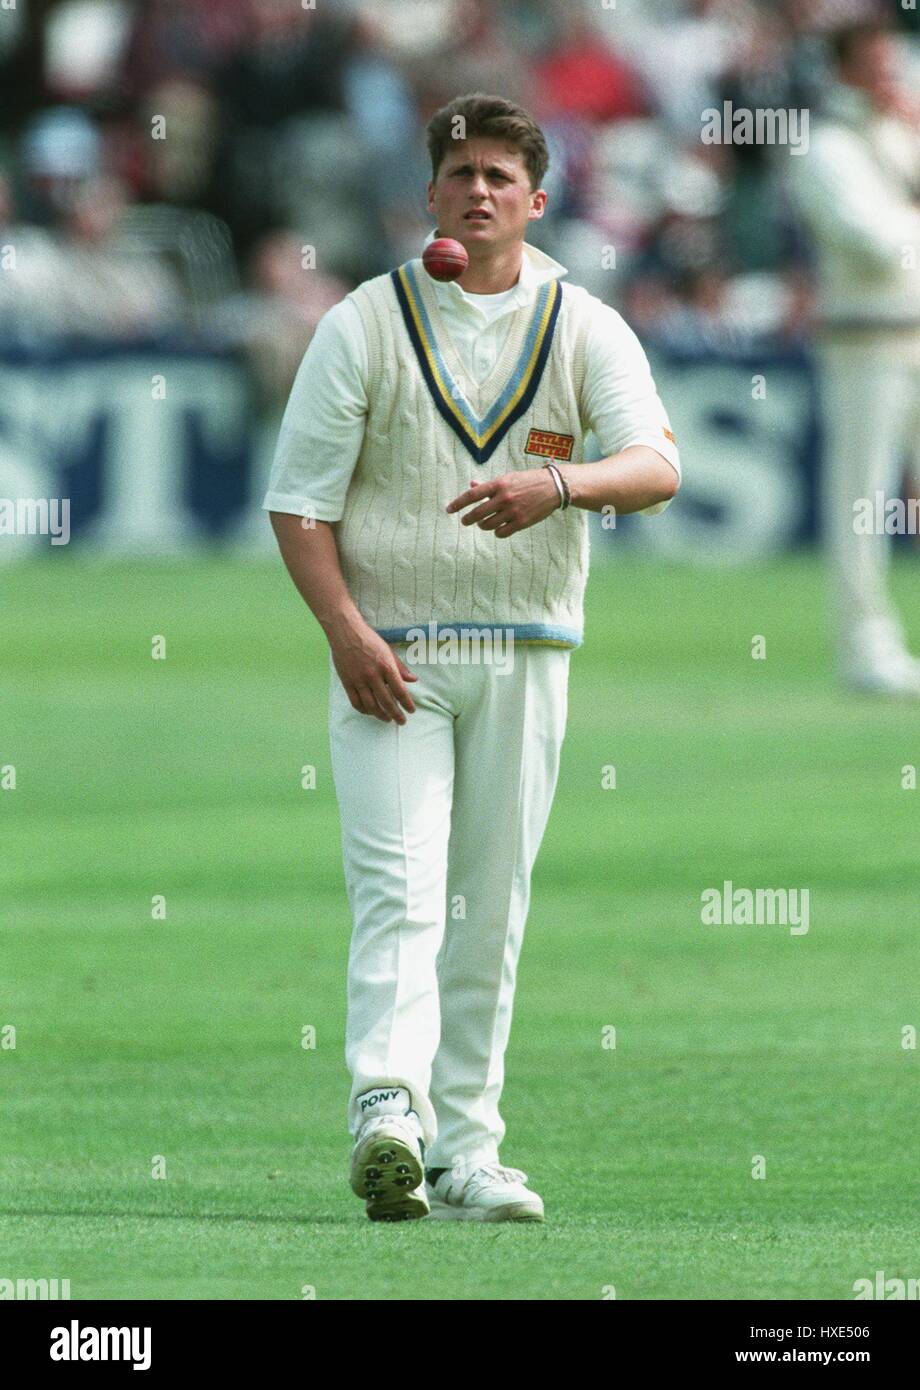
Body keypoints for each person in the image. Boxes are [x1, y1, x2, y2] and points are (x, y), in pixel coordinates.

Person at [264, 93, 680, 1222]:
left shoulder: (581, 323)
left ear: (535, 200)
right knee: (400, 888)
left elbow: (653, 465)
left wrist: (558, 483)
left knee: (489, 905)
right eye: (460, 173)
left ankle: (465, 1153)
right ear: (430, 194)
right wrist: (346, 632)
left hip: (526, 649)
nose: (479, 190)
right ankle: (386, 1111)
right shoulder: (363, 320)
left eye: (501, 174)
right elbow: (298, 505)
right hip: (391, 653)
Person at [788, 20, 920, 695]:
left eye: (891, 60)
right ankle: (865, 648)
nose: (887, 74)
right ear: (843, 69)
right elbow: (869, 241)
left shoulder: (903, 132)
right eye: (872, 62)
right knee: (863, 497)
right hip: (866, 339)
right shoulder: (825, 146)